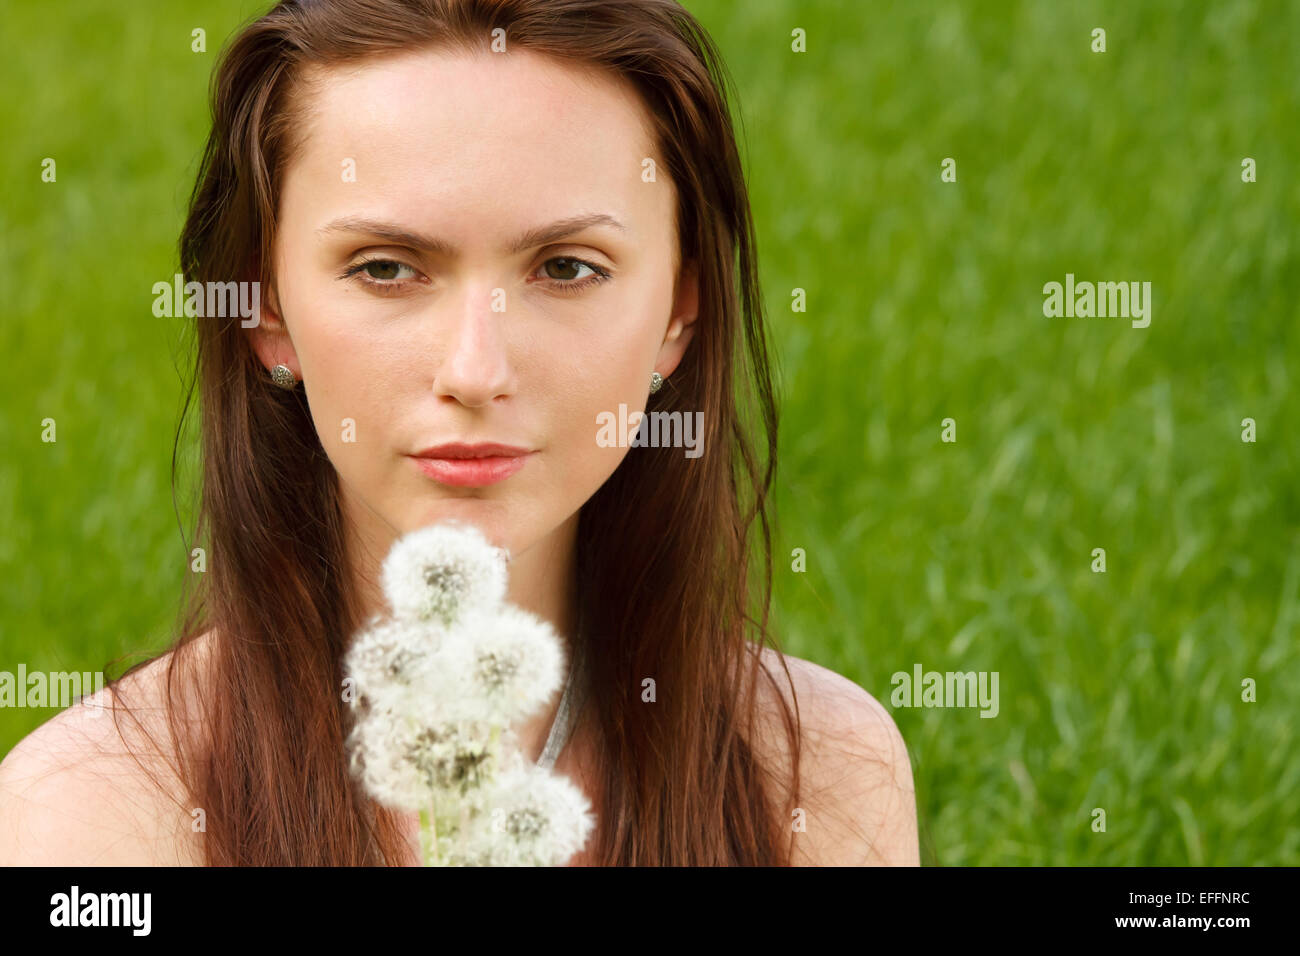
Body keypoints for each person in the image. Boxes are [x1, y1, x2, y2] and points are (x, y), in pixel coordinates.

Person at [0, 0, 917, 866]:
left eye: (566, 267)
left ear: (678, 313)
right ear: (266, 309)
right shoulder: (88, 821)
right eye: (387, 268)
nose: (476, 371)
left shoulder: (821, 780)